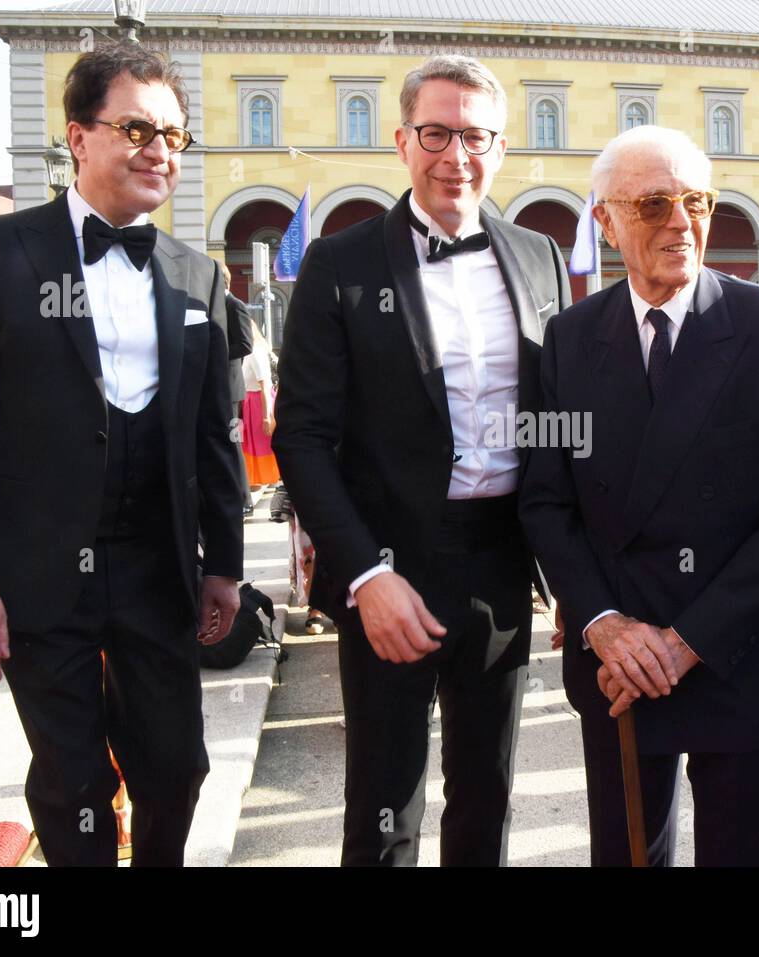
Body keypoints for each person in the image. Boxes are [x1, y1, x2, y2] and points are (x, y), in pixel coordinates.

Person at [0, 42, 244, 867]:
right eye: (136, 127)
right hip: (34, 572)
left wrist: (224, 565)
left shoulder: (195, 276)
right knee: (72, 781)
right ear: (77, 136)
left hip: (154, 573)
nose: (159, 148)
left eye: (174, 134)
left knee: (177, 769)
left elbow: (215, 437)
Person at [273, 54, 571, 866]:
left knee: (488, 791)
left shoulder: (540, 256)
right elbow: (298, 435)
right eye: (436, 132)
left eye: (475, 135)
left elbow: (558, 425)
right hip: (388, 567)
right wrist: (365, 575)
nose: (456, 155)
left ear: (501, 147)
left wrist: (575, 572)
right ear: (403, 140)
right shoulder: (342, 263)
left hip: (502, 564)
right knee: (382, 799)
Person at [520, 125, 759, 866]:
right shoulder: (565, 339)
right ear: (604, 219)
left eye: (697, 200)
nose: (680, 222)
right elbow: (544, 499)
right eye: (654, 203)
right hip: (617, 668)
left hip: (744, 659)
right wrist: (602, 624)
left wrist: (688, 640)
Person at [219, 260, 255, 516]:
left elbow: (245, 344)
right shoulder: (216, 306)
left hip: (231, 387)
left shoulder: (235, 305)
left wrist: (215, 353)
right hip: (218, 387)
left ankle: (244, 499)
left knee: (233, 443)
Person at [241, 319, 279, 489]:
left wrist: (266, 416)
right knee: (261, 444)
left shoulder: (253, 351)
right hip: (257, 400)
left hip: (258, 402)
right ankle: (266, 478)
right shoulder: (258, 348)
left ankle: (264, 478)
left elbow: (264, 385)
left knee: (260, 443)